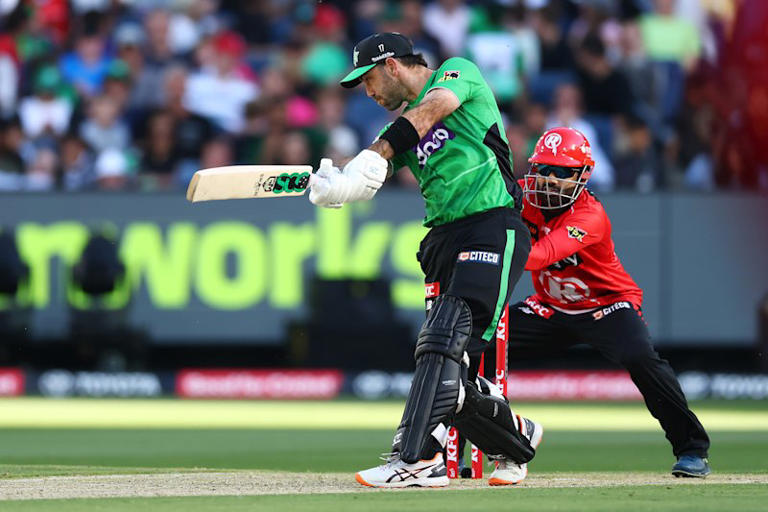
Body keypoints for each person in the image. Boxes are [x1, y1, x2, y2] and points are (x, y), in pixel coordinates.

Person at [308, 32, 542, 488]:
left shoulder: (457, 73)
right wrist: (334, 183)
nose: (369, 93)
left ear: (392, 65)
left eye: (370, 80)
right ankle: (514, 437)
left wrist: (373, 155)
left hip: (491, 222)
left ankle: (417, 459)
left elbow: (430, 111)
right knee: (447, 366)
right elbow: (369, 178)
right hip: (442, 238)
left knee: (444, 335)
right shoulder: (394, 132)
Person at [508, 126, 711, 478]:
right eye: (544, 170)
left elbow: (540, 256)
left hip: (606, 305)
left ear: (582, 176)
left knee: (641, 358)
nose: (551, 181)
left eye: (562, 173)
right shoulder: (521, 197)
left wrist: (492, 244)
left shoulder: (590, 216)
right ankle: (481, 443)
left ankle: (692, 448)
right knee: (477, 344)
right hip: (551, 307)